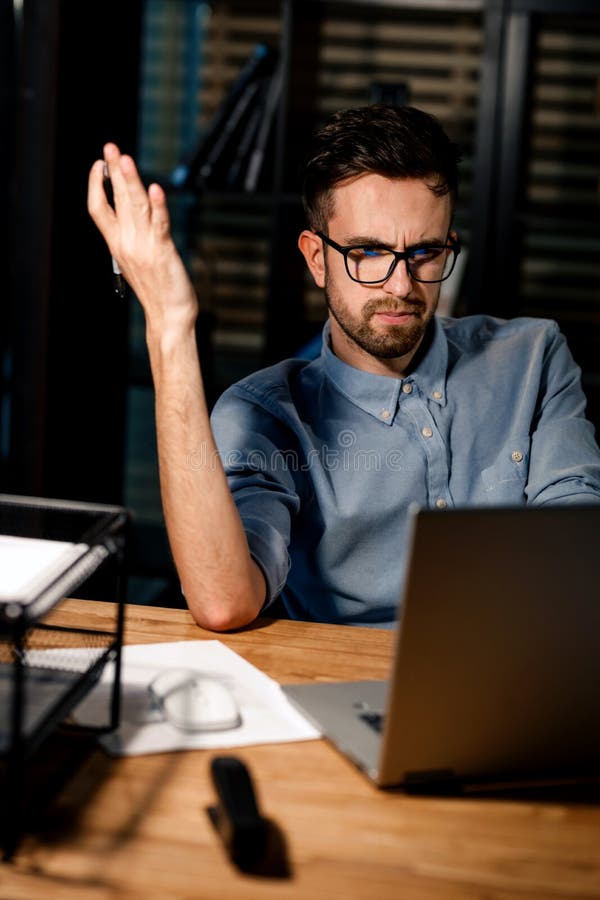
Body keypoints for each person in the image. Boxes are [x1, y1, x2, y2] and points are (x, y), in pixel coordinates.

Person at [88, 104, 600, 631]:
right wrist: (170, 326)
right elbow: (225, 601)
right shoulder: (266, 415)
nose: (401, 285)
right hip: (344, 691)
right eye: (368, 253)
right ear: (316, 258)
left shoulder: (534, 357)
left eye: (424, 251)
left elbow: (578, 553)